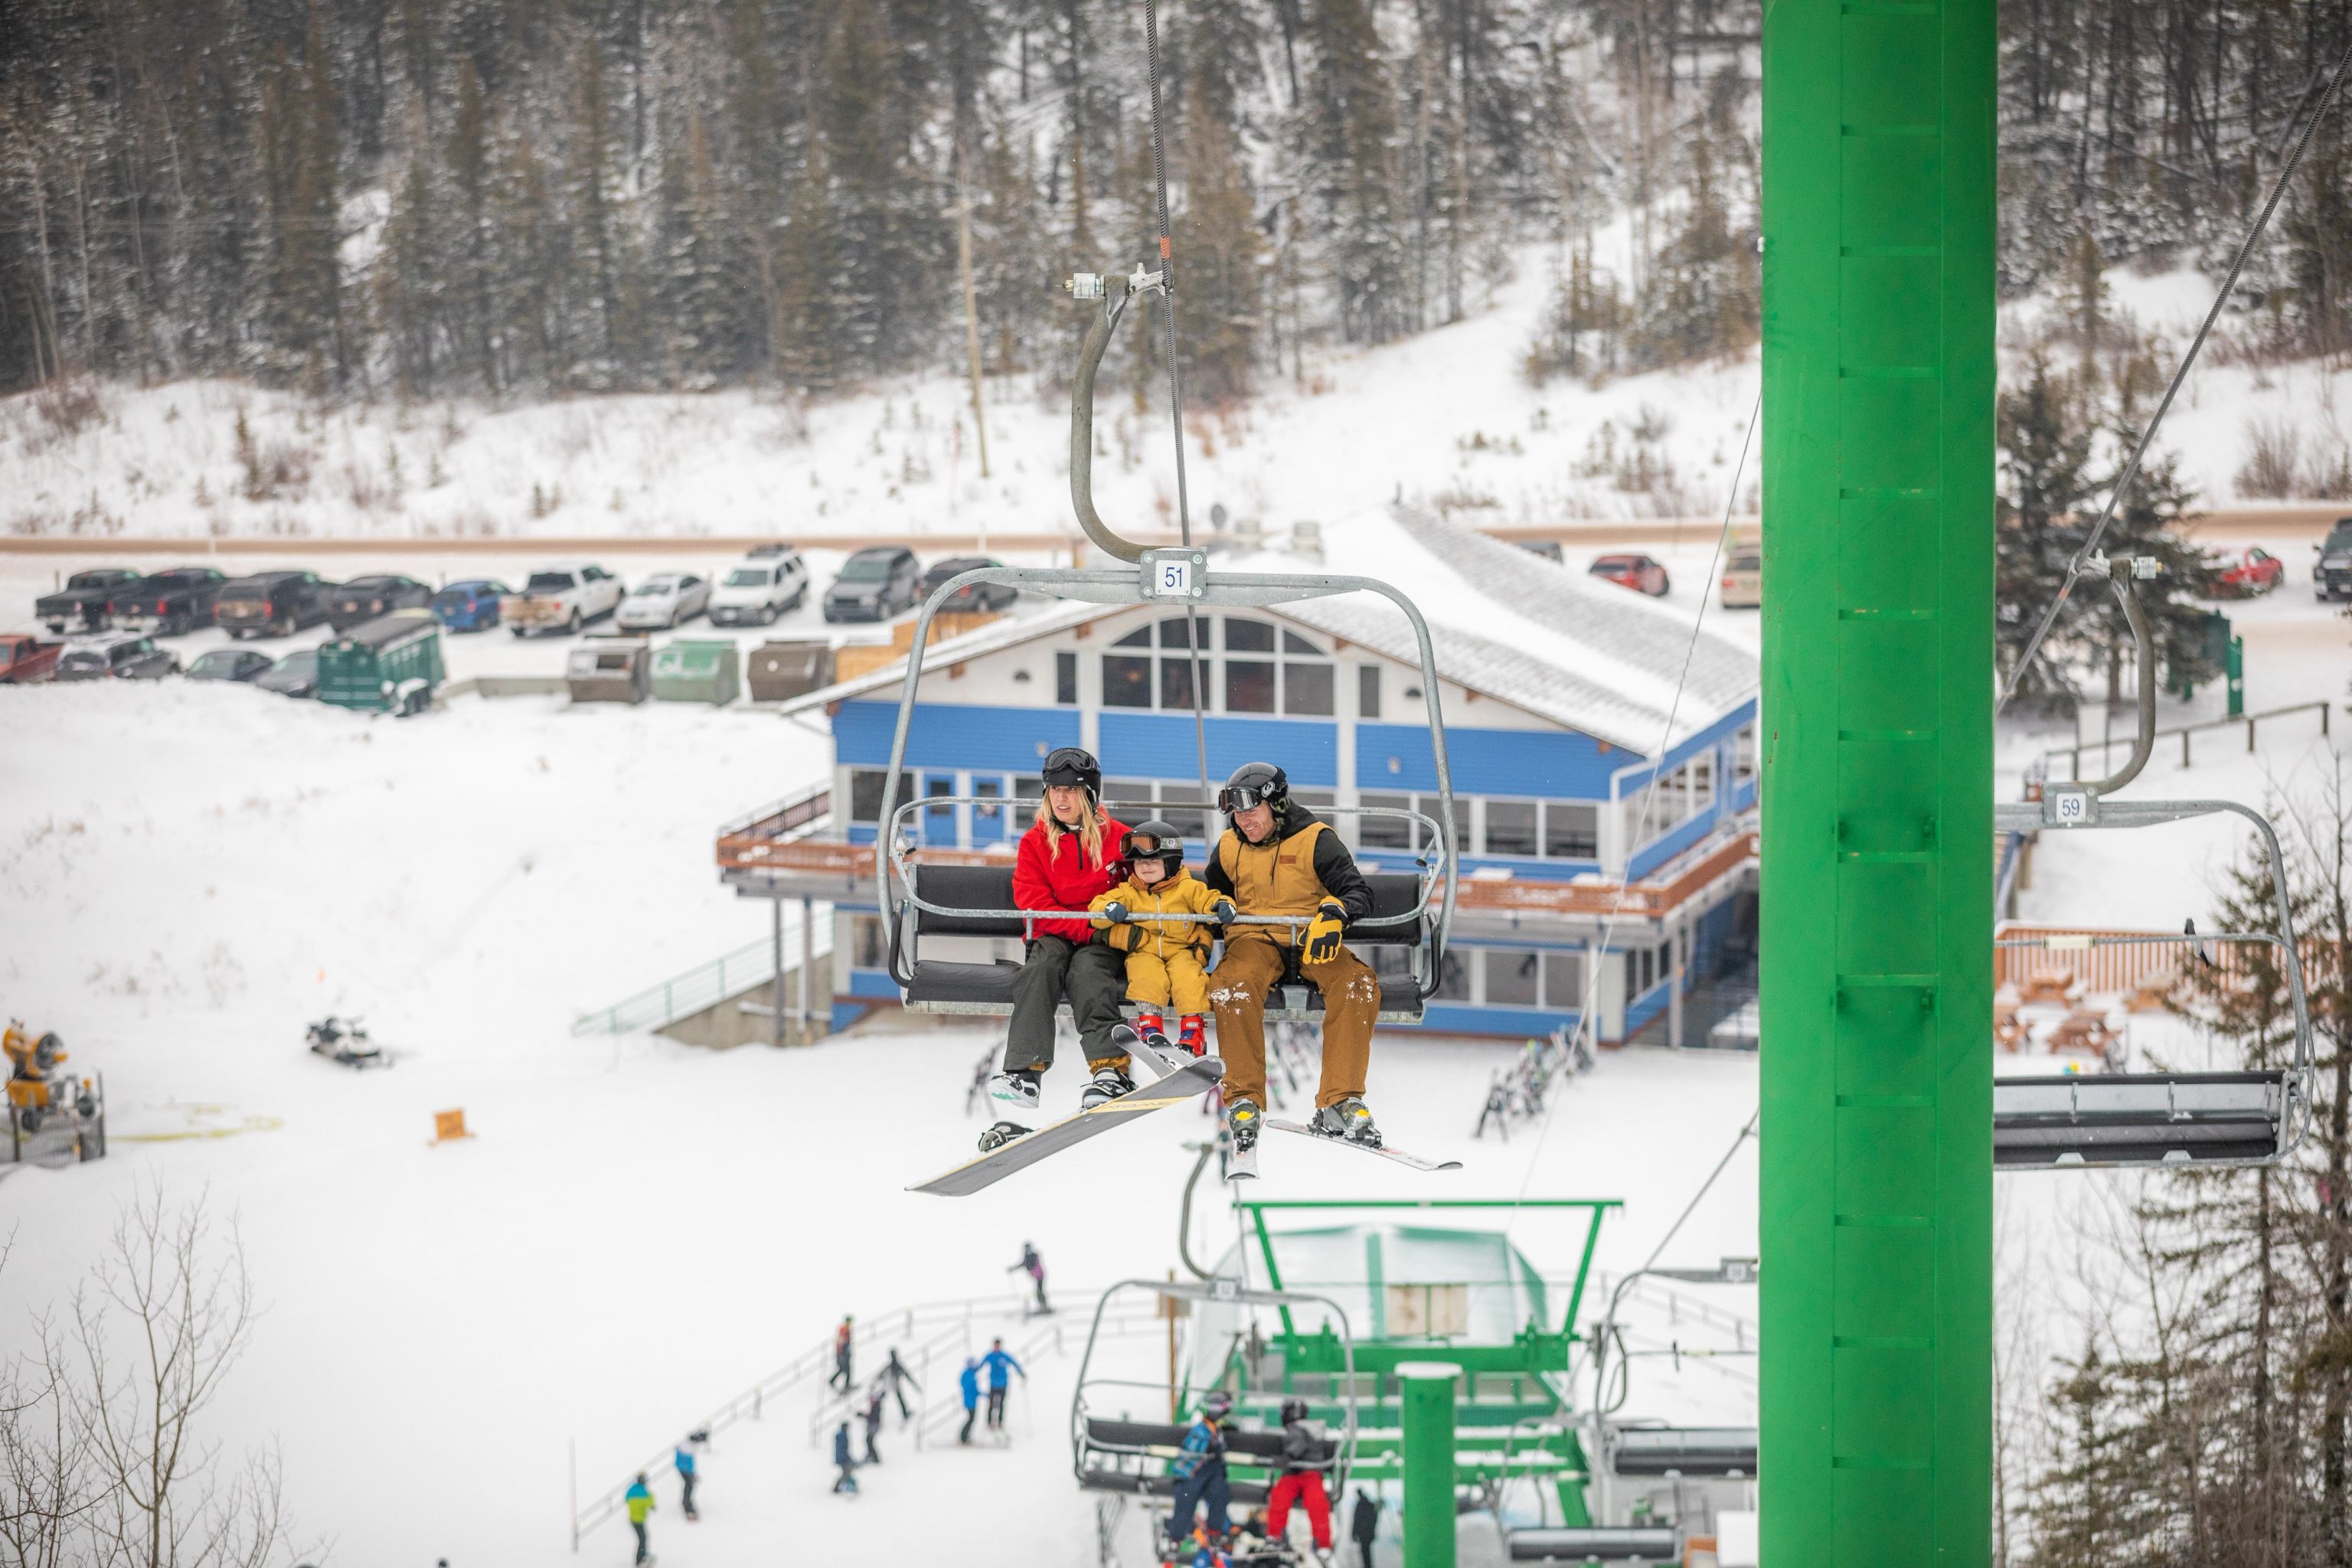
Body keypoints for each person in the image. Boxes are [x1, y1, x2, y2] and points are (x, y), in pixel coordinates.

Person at [1204, 761, 1380, 1152]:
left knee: (1357, 984)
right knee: (1232, 985)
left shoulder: (1315, 839)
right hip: (1255, 938)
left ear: (1277, 805)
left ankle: (1340, 1099)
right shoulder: (1230, 846)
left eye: (1252, 812)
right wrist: (1213, 906)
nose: (1243, 821)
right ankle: (1245, 1097)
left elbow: (1358, 892)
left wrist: (1335, 913)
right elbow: (1209, 897)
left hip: (1311, 937)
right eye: (1237, 813)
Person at [983, 748, 1135, 1152]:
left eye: (1072, 790)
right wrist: (1085, 922)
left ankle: (1110, 1070)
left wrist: (1100, 924)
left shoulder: (1119, 839)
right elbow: (1032, 903)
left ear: (1090, 795)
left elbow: (1134, 891)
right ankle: (1023, 1073)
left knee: (1088, 974)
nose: (1062, 799)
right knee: (1041, 968)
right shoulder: (1035, 843)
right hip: (1056, 933)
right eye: (1054, 791)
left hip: (1101, 940)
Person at [1089, 819, 1220, 1057]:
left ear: (1170, 863)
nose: (1145, 867)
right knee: (1145, 974)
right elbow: (1096, 908)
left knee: (1189, 977)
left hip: (1181, 950)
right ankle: (1150, 1027)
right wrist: (1108, 910)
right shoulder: (1130, 891)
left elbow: (1209, 900)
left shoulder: (1188, 888)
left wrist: (1222, 906)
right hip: (1145, 950)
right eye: (1139, 862)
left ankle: (1193, 1034)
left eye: (1153, 861)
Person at [1264, 1398, 1334, 1553]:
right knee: (1316, 1505)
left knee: (1282, 1500)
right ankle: (1322, 1543)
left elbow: (1297, 1447)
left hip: (1302, 1472)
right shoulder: (1306, 1429)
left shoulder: (1297, 1430)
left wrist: (1284, 1459)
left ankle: (1275, 1536)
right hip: (1300, 1473)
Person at [1166, 1390, 1233, 1547]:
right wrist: (1209, 1448)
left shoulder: (1217, 1431)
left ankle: (1215, 1532)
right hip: (1193, 1473)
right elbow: (1191, 1452)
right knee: (1186, 1500)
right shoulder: (1201, 1431)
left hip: (1211, 1472)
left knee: (1219, 1496)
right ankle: (1176, 1536)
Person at [979, 1337, 1024, 1431]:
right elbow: (980, 1365)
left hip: (1003, 1384)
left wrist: (1021, 1372)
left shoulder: (1004, 1355)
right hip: (993, 1384)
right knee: (991, 1404)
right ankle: (989, 1422)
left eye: (998, 1345)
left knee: (1001, 1404)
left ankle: (1000, 1422)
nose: (996, 1347)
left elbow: (1014, 1363)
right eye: (995, 1345)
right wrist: (971, 1371)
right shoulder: (990, 1355)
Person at [877, 1347, 921, 1421]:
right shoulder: (896, 1366)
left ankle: (876, 1415)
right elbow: (908, 1376)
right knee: (899, 1399)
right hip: (893, 1385)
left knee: (894, 1399)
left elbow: (881, 1375)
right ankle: (876, 1415)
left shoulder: (891, 1366)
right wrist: (916, 1386)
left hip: (890, 1385)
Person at [1008, 1241, 1050, 1314]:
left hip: (1040, 1275)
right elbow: (1022, 1264)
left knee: (1039, 1291)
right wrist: (1013, 1269)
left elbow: (1030, 1264)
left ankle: (1043, 1306)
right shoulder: (1027, 1257)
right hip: (1037, 1276)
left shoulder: (1033, 1256)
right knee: (1038, 1291)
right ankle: (1043, 1306)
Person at [623, 1472, 655, 1563]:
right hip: (639, 1519)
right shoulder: (644, 1492)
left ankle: (643, 1555)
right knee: (643, 1538)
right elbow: (650, 1502)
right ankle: (640, 1559)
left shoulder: (631, 1489)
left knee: (643, 1538)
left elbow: (626, 1499)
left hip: (633, 1518)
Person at [673, 1431, 703, 1521]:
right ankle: (687, 1504)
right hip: (685, 1470)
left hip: (682, 1468)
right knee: (689, 1485)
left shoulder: (684, 1443)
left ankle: (686, 1502)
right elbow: (690, 1465)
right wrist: (693, 1475)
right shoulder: (689, 1449)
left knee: (688, 1485)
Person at [1351, 1488, 1380, 1568]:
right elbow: (1374, 1518)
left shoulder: (1361, 1505)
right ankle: (1368, 1566)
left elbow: (1356, 1520)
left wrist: (1353, 1533)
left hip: (1363, 1534)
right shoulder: (1369, 1505)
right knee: (1366, 1552)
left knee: (1365, 1552)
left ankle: (1367, 1566)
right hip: (1368, 1534)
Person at [957, 1356, 982, 1444]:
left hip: (972, 1400)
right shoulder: (968, 1374)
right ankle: (963, 1437)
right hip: (969, 1400)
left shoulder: (970, 1374)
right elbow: (971, 1389)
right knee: (971, 1419)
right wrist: (983, 1394)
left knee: (971, 1419)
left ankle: (966, 1436)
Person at [831, 1420, 859, 1494]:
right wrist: (847, 1458)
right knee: (846, 1473)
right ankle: (839, 1487)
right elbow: (843, 1449)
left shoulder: (842, 1435)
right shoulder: (842, 1436)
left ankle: (840, 1487)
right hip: (843, 1458)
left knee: (846, 1473)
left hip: (842, 1457)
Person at [829, 1314, 854, 1393]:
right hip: (843, 1354)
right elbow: (841, 1342)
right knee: (845, 1369)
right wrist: (842, 1354)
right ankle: (843, 1384)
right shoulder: (844, 1330)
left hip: (844, 1353)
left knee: (846, 1369)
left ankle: (844, 1384)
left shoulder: (846, 1329)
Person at [861, 1384, 887, 1464]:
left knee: (869, 1440)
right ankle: (872, 1455)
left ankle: (874, 1456)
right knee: (869, 1440)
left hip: (874, 1425)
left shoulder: (876, 1406)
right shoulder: (875, 1405)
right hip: (873, 1425)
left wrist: (864, 1415)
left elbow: (872, 1416)